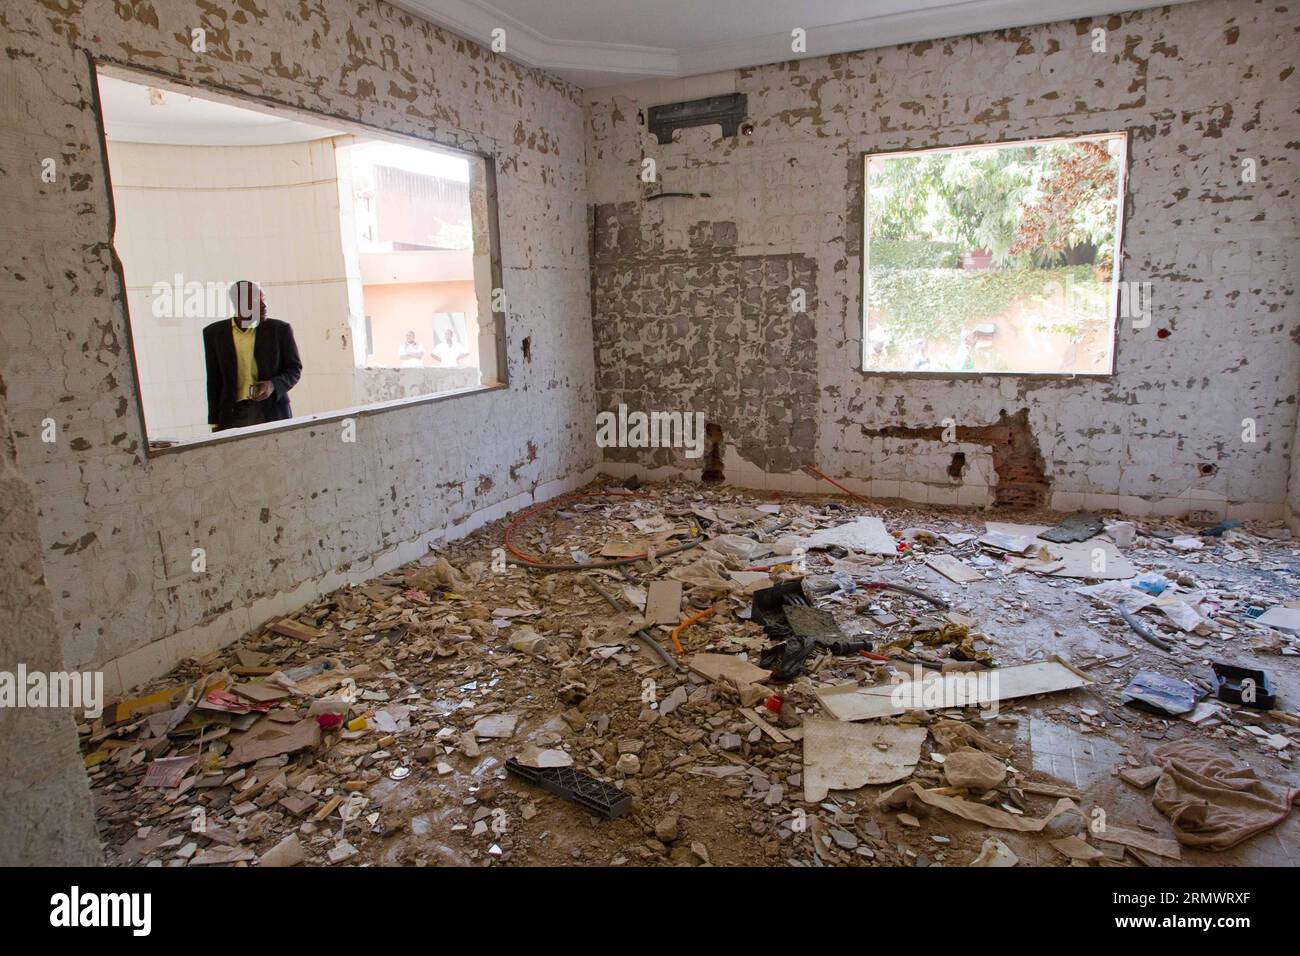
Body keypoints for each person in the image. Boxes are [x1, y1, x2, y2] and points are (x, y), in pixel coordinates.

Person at [203, 280, 302, 431]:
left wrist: (273, 385)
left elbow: (294, 369)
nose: (264, 305)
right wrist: (215, 423)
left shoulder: (280, 330)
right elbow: (214, 381)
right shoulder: (213, 334)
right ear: (238, 303)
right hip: (233, 415)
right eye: (257, 300)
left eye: (263, 299)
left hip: (272, 411)